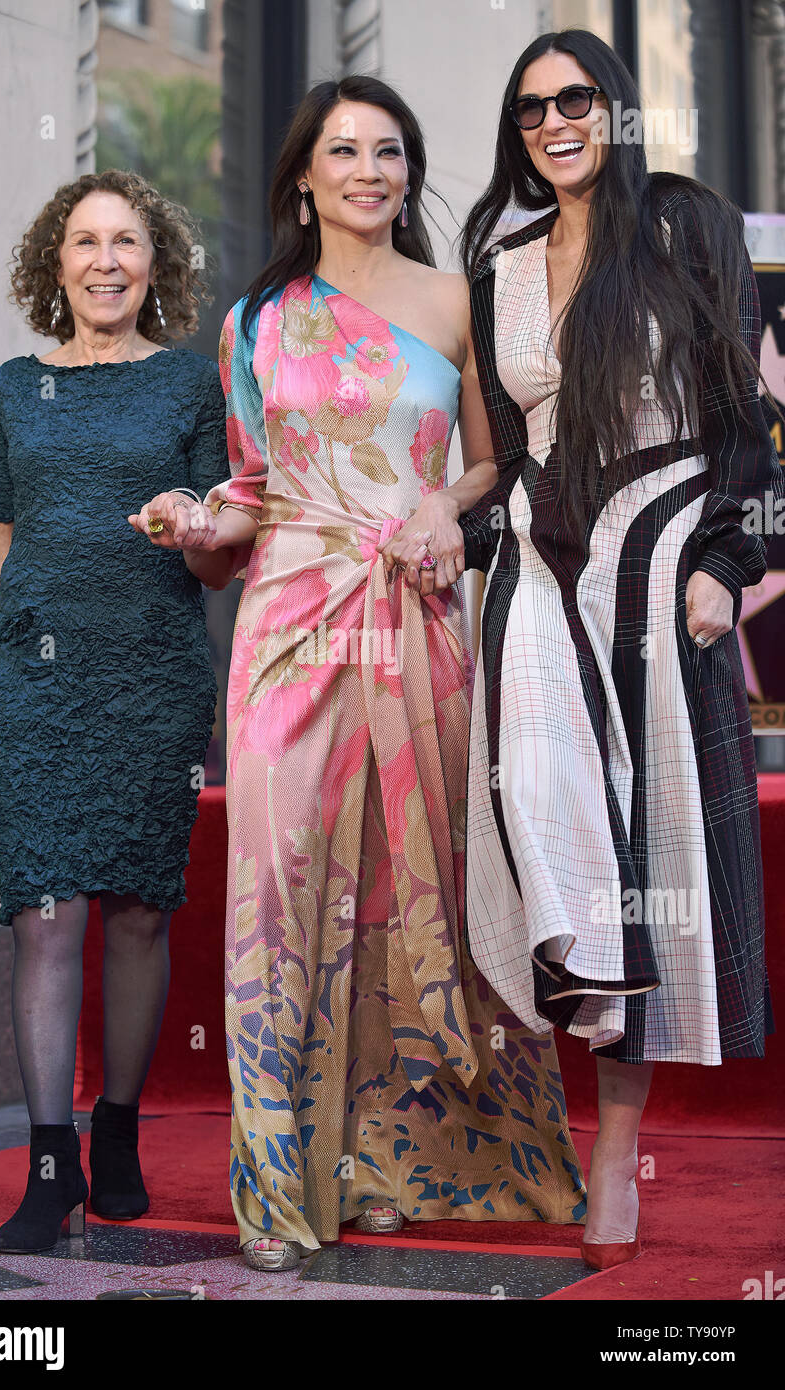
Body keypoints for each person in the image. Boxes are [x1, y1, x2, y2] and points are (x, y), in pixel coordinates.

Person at [135, 75, 586, 1272]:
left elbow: (499, 462)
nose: (369, 171)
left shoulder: (455, 301)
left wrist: (440, 501)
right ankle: (275, 1185)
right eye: (343, 152)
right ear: (302, 177)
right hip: (287, 625)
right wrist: (193, 521)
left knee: (403, 889)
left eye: (389, 152)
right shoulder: (253, 321)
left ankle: (383, 1160)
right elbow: (248, 491)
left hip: (418, 626)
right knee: (277, 897)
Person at [447, 29, 784, 1269]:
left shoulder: (686, 227)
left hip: (657, 574)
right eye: (530, 108)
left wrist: (723, 564)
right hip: (539, 570)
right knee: (542, 822)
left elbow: (750, 425)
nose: (553, 122)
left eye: (574, 97)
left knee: (641, 848)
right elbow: (502, 455)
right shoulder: (500, 265)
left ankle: (610, 1153)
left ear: (613, 106)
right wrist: (448, 528)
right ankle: (543, 1112)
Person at [0, 170, 230, 1253]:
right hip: (34, 685)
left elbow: (218, 557)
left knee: (140, 911)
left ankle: (118, 1129)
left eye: (126, 242)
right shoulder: (13, 388)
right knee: (45, 913)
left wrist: (193, 526)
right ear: (53, 262)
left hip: (154, 676)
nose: (105, 260)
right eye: (84, 242)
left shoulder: (190, 387)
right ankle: (49, 1160)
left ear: (154, 264)